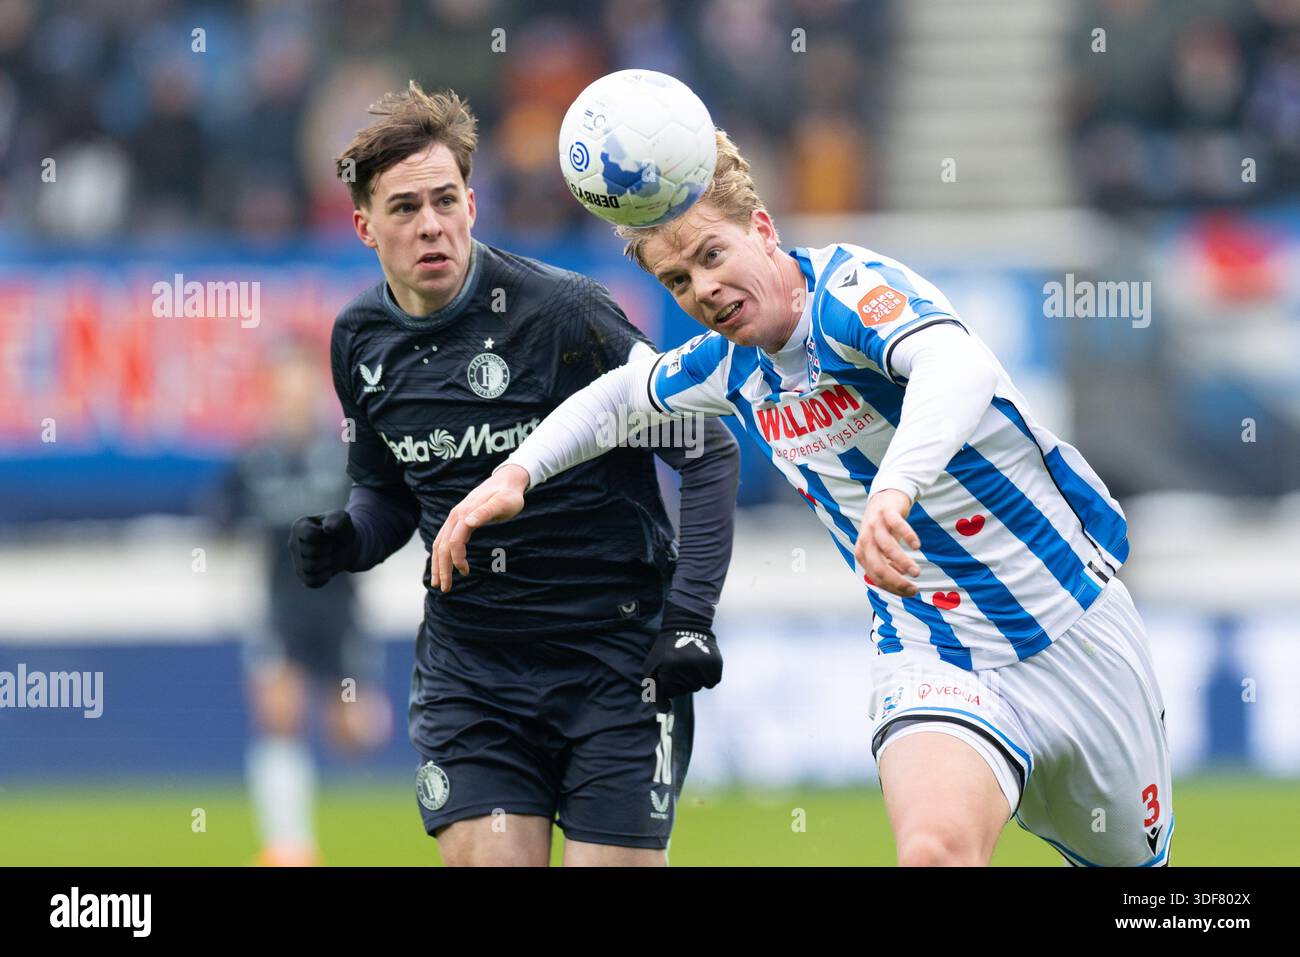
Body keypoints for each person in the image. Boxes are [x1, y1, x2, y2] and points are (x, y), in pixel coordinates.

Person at [431, 130, 1174, 867]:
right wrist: (514, 474)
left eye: (711, 255)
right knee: (934, 852)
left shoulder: (850, 293)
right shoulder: (731, 364)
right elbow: (623, 395)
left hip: (1075, 624)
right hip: (936, 650)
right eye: (678, 282)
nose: (702, 290)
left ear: (763, 229)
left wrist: (895, 488)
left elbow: (958, 363)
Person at [287, 83, 740, 866]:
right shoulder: (359, 340)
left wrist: (691, 614)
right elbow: (387, 493)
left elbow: (706, 449)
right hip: (475, 672)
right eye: (404, 208)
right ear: (364, 227)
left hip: (616, 659)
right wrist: (350, 538)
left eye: (445, 200)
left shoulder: (565, 314)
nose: (431, 224)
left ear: (472, 205)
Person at [209, 342, 392, 867]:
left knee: (354, 735)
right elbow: (220, 519)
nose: (293, 398)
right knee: (279, 714)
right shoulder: (253, 461)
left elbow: (382, 517)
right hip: (280, 608)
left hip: (339, 611)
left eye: (301, 387)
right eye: (283, 388)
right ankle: (289, 847)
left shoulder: (346, 458)